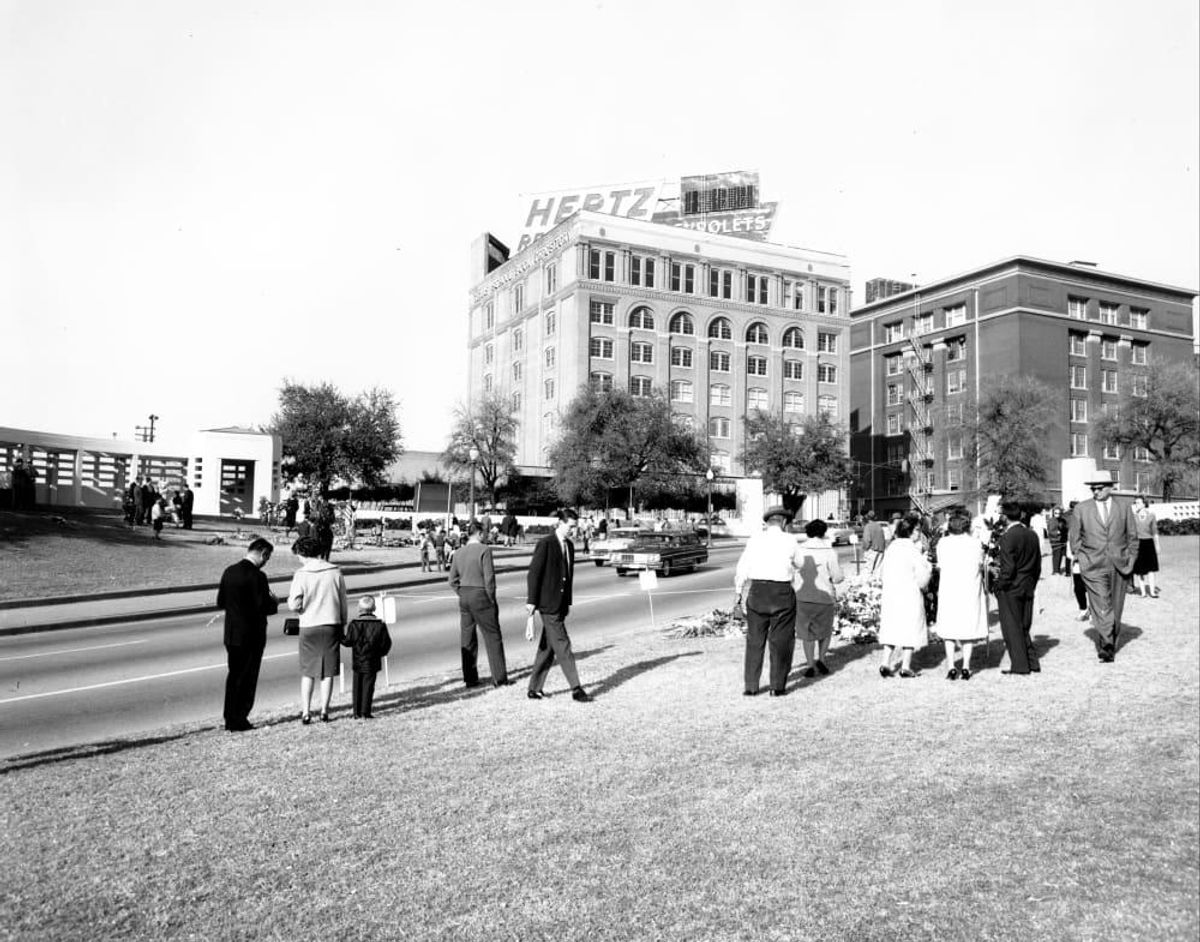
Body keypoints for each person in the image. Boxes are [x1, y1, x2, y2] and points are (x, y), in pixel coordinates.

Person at [1069, 470, 1139, 663]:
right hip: (1093, 565)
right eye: (1093, 488)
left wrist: (1131, 559)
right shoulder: (1081, 509)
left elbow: (1132, 536)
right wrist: (1081, 558)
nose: (1095, 492)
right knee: (1102, 604)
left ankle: (1109, 642)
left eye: (1099, 488)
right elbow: (1074, 539)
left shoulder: (1124, 507)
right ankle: (1107, 645)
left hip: (1120, 564)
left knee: (1115, 607)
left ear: (1110, 488)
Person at [525, 508, 591, 702]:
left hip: (561, 604)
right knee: (563, 644)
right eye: (571, 526)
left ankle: (534, 688)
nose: (573, 531)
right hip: (547, 604)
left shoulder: (569, 546)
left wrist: (567, 601)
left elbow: (568, 576)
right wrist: (531, 601)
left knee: (548, 647)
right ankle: (576, 688)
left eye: (575, 527)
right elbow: (534, 574)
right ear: (560, 523)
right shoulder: (546, 544)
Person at [734, 505, 798, 696]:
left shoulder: (755, 539)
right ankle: (777, 686)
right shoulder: (790, 539)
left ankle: (751, 686)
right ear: (784, 522)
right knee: (781, 641)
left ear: (768, 521)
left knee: (754, 640)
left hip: (758, 590)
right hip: (781, 592)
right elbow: (800, 562)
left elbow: (742, 567)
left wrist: (738, 592)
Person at [215, 537, 278, 731]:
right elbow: (264, 607)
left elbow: (220, 601)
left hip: (232, 632)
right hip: (252, 634)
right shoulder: (258, 577)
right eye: (267, 557)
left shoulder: (229, 571)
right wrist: (274, 602)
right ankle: (240, 718)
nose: (266, 561)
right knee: (248, 677)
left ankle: (229, 716)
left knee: (234, 675)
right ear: (263, 554)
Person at [288, 535, 348, 723]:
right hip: (331, 623)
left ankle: (306, 711)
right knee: (327, 671)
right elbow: (343, 602)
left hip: (309, 625)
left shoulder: (302, 574)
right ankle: (324, 710)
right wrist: (342, 623)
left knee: (308, 670)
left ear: (303, 553)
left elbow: (294, 605)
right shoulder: (335, 572)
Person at [449, 521, 510, 688]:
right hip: (481, 594)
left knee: (467, 638)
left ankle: (470, 677)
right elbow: (489, 579)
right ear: (479, 533)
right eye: (484, 533)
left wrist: (461, 592)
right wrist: (491, 598)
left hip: (465, 594)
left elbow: (452, 579)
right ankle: (499, 677)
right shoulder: (484, 550)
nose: (485, 535)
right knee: (492, 636)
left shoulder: (459, 552)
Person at [935, 511, 989, 680]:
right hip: (969, 588)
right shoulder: (975, 543)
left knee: (949, 627)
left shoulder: (943, 543)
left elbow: (940, 565)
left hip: (950, 588)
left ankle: (951, 665)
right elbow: (981, 563)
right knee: (968, 626)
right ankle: (966, 666)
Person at [877, 516, 931, 678]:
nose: (918, 533)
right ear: (911, 531)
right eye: (917, 530)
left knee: (892, 627)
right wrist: (927, 567)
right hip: (909, 594)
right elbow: (922, 577)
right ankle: (905, 666)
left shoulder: (891, 548)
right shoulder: (912, 550)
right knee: (911, 629)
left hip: (892, 594)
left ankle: (885, 662)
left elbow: (881, 572)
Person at [994, 502, 1042, 675]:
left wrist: (999, 585)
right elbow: (1038, 564)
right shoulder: (1032, 534)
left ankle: (1020, 665)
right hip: (1028, 583)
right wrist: (1032, 583)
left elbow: (1008, 568)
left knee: (1012, 627)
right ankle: (1031, 661)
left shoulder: (1008, 537)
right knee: (1023, 625)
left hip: (1012, 587)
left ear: (1005, 517)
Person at [792, 518, 843, 678]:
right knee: (825, 630)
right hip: (824, 596)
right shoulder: (829, 552)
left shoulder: (799, 550)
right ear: (823, 532)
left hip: (802, 597)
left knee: (807, 633)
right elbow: (837, 577)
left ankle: (810, 664)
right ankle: (821, 658)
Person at [341, 596, 392, 719]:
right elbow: (386, 644)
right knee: (369, 686)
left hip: (358, 659)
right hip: (373, 660)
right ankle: (366, 711)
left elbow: (347, 642)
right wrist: (380, 653)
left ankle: (356, 712)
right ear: (374, 608)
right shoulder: (380, 625)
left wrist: (339, 634)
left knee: (357, 686)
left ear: (359, 608)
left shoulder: (354, 624)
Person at [1131, 496, 1160, 598]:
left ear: (1144, 504)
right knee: (1139, 570)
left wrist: (1157, 545)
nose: (1136, 505)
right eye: (1135, 503)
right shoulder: (1133, 517)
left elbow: (1155, 531)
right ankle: (1143, 592)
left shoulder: (1151, 515)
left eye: (1138, 503)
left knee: (1151, 569)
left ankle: (1152, 592)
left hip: (1149, 544)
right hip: (1138, 544)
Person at [1046, 506, 1068, 576]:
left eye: (1059, 513)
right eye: (1056, 513)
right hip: (1055, 540)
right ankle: (1055, 570)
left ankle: (1057, 569)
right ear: (1053, 513)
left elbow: (1065, 528)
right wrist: (1057, 533)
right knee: (1056, 555)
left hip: (1061, 540)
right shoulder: (1051, 520)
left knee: (1060, 555)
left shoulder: (1062, 520)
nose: (1057, 515)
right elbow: (1050, 531)